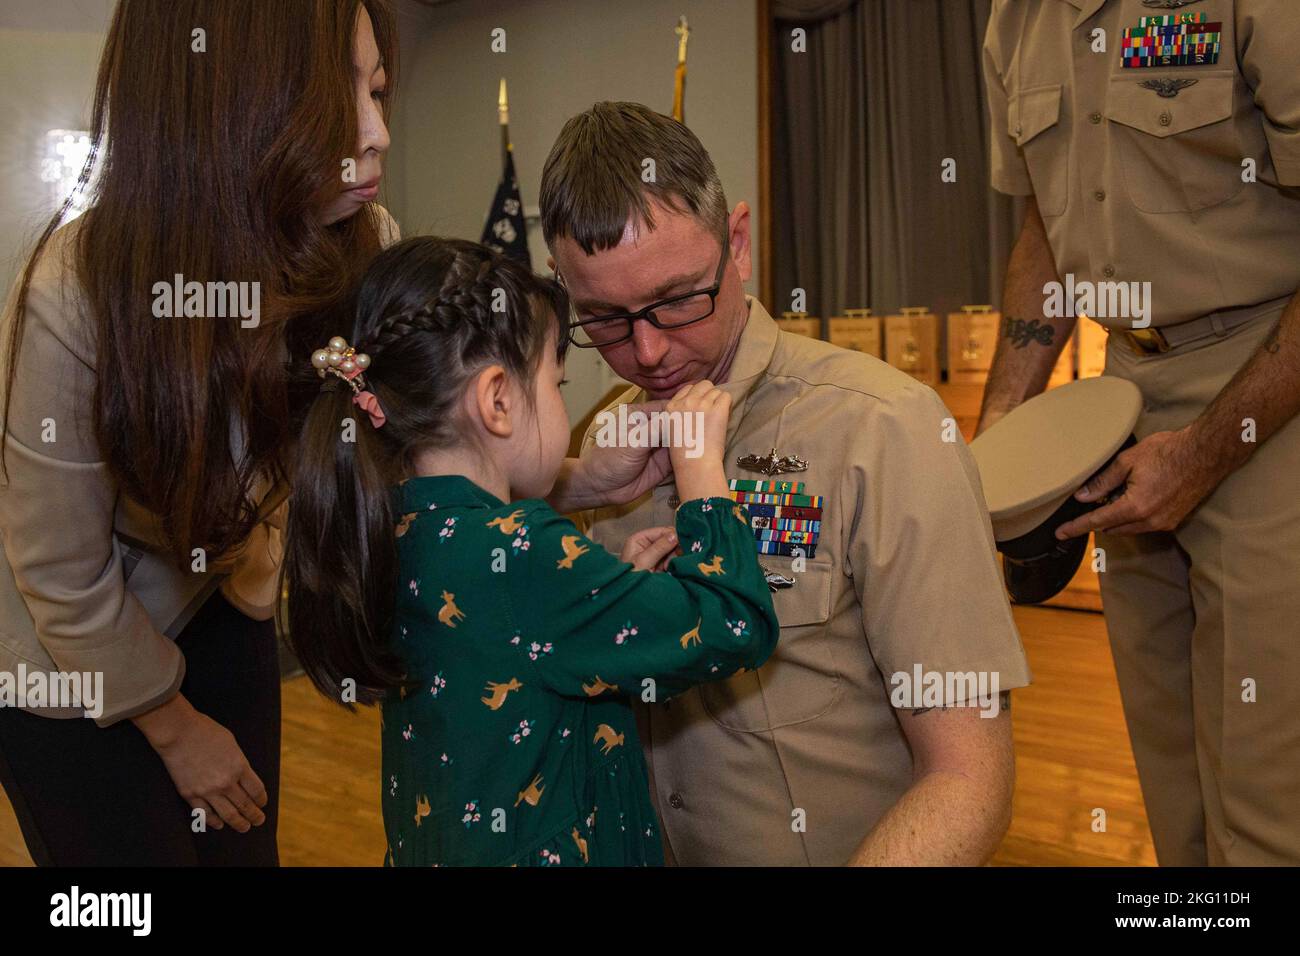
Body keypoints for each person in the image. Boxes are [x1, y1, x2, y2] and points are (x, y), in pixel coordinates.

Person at [543, 102, 1032, 866]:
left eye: (677, 300)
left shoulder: (884, 429)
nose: (646, 351)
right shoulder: (597, 449)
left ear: (737, 244)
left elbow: (969, 778)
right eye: (603, 318)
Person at [0, 0, 400, 865]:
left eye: (379, 92)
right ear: (233, 109)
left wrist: (570, 480)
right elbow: (61, 579)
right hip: (64, 653)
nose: (377, 134)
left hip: (221, 598)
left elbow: (415, 433)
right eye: (341, 102)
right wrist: (178, 733)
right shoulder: (75, 296)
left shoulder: (360, 248)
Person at [280, 236, 779, 866]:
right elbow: (735, 623)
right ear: (497, 401)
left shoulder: (388, 527)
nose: (562, 402)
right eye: (556, 382)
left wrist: (604, 589)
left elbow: (508, 642)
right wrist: (702, 467)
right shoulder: (522, 551)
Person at [981, 0, 1300, 865]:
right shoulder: (1016, 25)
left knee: (1268, 801)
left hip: (1270, 391)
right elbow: (1042, 235)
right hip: (1122, 393)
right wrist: (994, 440)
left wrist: (1201, 456)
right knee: (1173, 787)